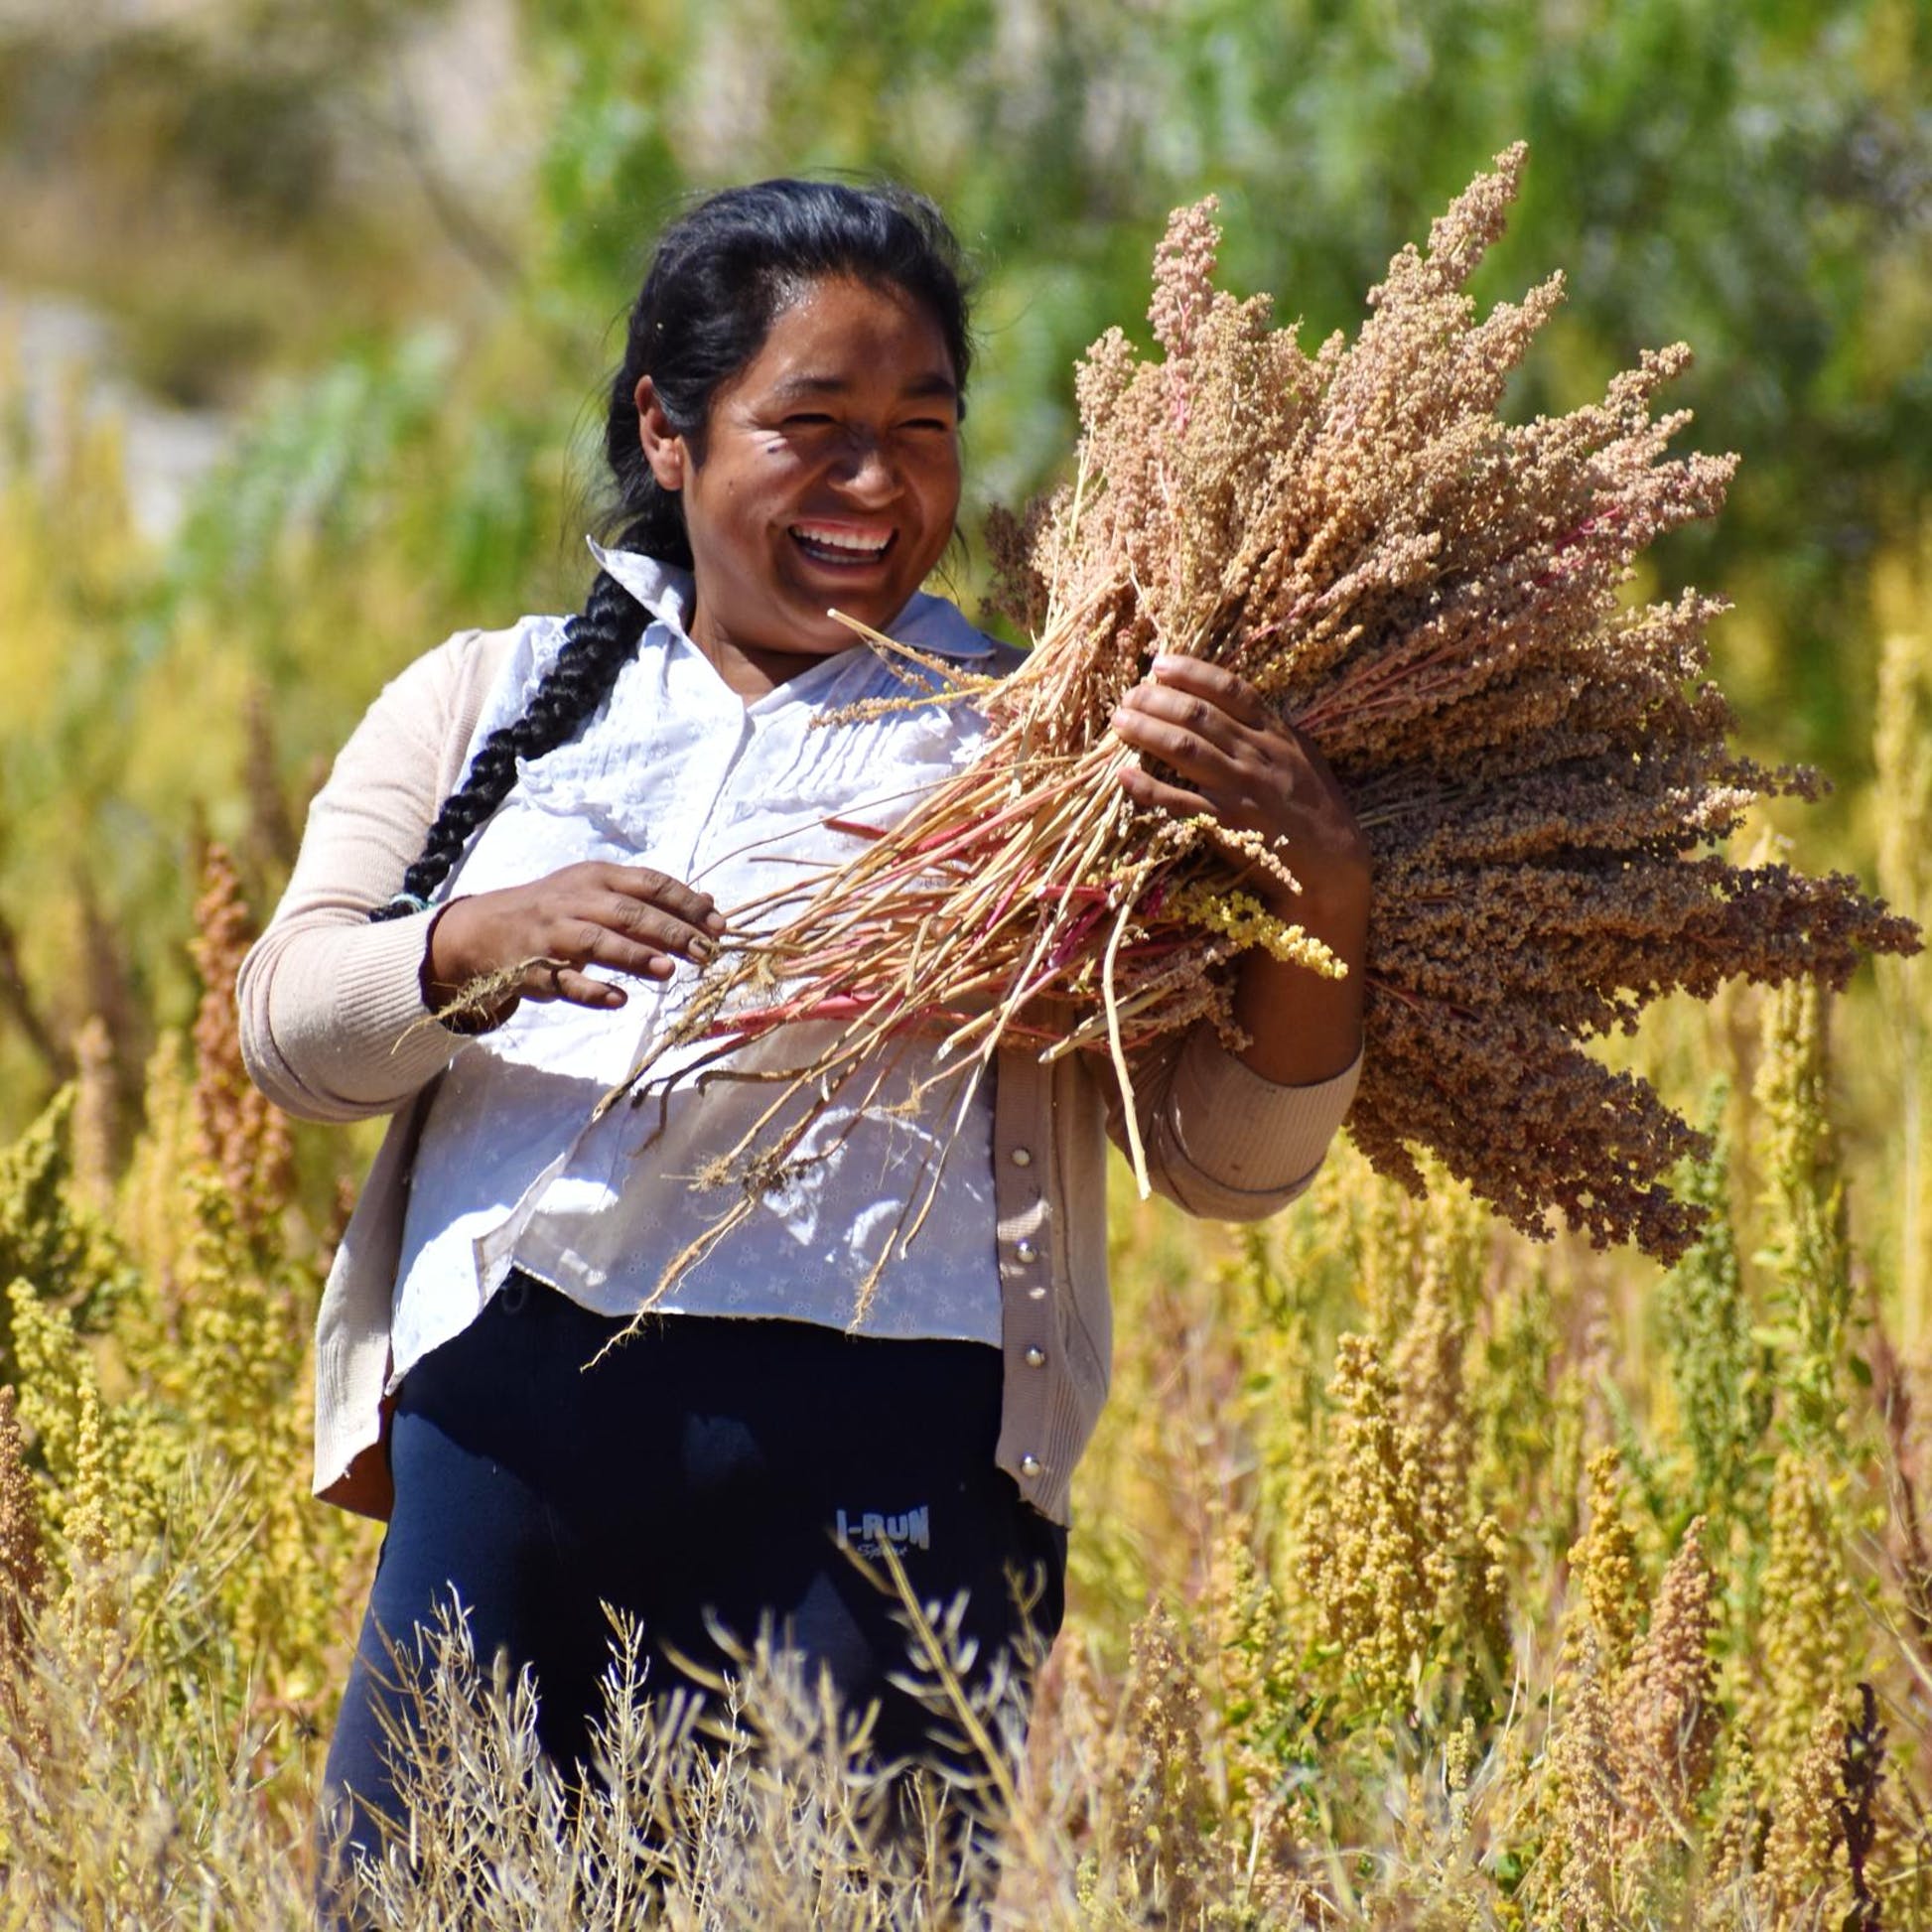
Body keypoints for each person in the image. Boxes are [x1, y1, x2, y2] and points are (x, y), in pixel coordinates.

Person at [237, 178, 1368, 1878]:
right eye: (811, 427)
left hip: (890, 1450)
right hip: (514, 1429)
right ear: (668, 431)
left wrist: (1323, 898)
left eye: (922, 427)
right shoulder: (488, 695)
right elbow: (287, 1030)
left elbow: (1226, 1161)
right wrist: (472, 945)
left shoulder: (1044, 746)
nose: (876, 484)